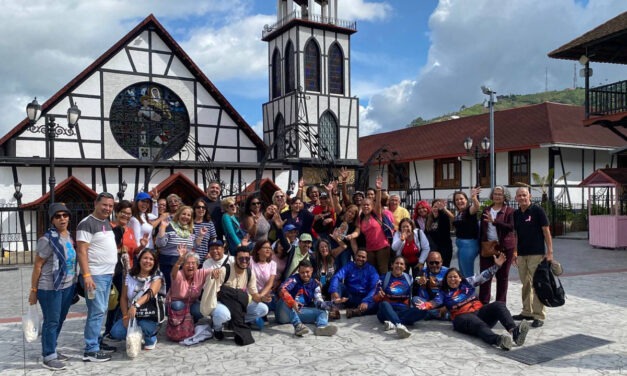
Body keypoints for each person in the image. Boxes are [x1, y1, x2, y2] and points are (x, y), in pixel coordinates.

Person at [417, 253, 530, 351]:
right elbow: (435, 302)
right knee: (477, 323)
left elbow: (483, 276)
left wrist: (497, 266)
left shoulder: (467, 283)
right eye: (449, 278)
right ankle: (498, 340)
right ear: (446, 280)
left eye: (455, 277)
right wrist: (425, 305)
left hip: (479, 312)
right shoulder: (444, 292)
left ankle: (514, 332)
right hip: (461, 318)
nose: (452, 279)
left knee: (498, 305)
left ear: (460, 278)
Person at [29, 203, 77, 370]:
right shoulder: (46, 240)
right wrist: (33, 290)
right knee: (51, 321)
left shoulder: (69, 236)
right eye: (58, 216)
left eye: (65, 215)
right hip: (50, 288)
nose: (62, 218)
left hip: (68, 286)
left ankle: (52, 349)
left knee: (59, 319)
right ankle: (48, 355)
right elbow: (37, 266)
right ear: (52, 220)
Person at [76, 192, 118, 362]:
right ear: (96, 203)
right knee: (97, 310)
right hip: (95, 275)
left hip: (106, 275)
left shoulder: (105, 223)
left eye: (110, 206)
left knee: (101, 311)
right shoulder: (87, 223)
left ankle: (96, 342)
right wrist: (86, 275)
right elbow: (81, 250)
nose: (108, 208)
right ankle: (91, 349)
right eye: (105, 205)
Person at [512, 186, 553, 328]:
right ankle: (527, 311)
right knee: (525, 284)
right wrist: (515, 252)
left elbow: (546, 231)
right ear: (516, 198)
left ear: (529, 196)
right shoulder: (516, 214)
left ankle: (539, 315)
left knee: (537, 284)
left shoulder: (537, 211)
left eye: (524, 195)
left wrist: (550, 252)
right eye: (519, 195)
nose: (522, 198)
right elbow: (516, 234)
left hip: (536, 253)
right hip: (522, 254)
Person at [110, 248, 166, 350]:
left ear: (155, 262)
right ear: (139, 259)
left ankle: (150, 337)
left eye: (151, 259)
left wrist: (136, 305)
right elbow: (123, 298)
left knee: (145, 326)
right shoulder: (129, 275)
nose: (148, 261)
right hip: (132, 314)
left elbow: (150, 293)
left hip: (149, 314)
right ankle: (138, 335)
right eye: (145, 258)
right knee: (116, 332)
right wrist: (125, 316)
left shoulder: (157, 277)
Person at [210, 246, 269, 337]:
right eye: (241, 258)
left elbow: (254, 295)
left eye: (247, 258)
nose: (244, 261)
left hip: (239, 304)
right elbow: (215, 293)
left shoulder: (250, 273)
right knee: (223, 314)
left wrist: (262, 298)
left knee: (263, 309)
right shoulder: (225, 270)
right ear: (235, 259)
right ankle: (217, 328)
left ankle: (234, 322)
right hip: (223, 302)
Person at [276, 259, 338, 337]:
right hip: (284, 313)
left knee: (323, 311)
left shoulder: (315, 285)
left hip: (300, 312)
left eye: (307, 272)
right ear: (298, 271)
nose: (305, 274)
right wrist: (292, 302)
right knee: (284, 299)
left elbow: (319, 302)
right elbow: (282, 289)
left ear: (312, 270)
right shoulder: (294, 279)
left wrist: (333, 303)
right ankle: (298, 326)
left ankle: (321, 327)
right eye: (302, 272)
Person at [155, 206, 207, 292]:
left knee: (182, 291)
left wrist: (200, 235)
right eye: (184, 214)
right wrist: (162, 228)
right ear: (179, 215)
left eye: (188, 215)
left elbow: (194, 246)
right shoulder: (169, 226)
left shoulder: (191, 230)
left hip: (185, 265)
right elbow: (160, 244)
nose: (186, 217)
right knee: (169, 290)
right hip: (169, 263)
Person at [374, 256, 428, 339]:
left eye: (401, 264)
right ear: (392, 265)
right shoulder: (384, 277)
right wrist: (378, 295)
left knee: (423, 310)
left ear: (405, 267)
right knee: (384, 304)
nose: (399, 265)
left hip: (403, 310)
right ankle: (399, 325)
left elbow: (417, 279)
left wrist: (421, 280)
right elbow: (375, 297)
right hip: (386, 311)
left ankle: (392, 322)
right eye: (397, 263)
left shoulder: (409, 278)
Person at [479, 186, 516, 304]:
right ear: (492, 195)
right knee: (485, 276)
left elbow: (511, 227)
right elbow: (481, 230)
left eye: (500, 194)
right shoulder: (486, 210)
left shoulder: (510, 211)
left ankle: (500, 305)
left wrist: (495, 222)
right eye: (495, 194)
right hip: (488, 247)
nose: (497, 196)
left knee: (502, 277)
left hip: (504, 247)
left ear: (505, 196)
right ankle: (483, 303)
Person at [329, 249, 379, 319]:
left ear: (367, 259)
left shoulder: (371, 269)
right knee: (338, 285)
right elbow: (337, 276)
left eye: (363, 257)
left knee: (378, 304)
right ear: (355, 256)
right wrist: (334, 291)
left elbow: (375, 287)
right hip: (348, 296)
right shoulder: (349, 265)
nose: (360, 259)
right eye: (359, 256)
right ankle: (335, 310)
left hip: (363, 298)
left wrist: (366, 301)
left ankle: (355, 312)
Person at [355, 176, 390, 275]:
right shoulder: (360, 218)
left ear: (372, 206)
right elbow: (357, 231)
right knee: (372, 272)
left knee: (383, 271)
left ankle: (384, 290)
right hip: (369, 249)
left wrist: (378, 189)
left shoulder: (377, 214)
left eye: (368, 205)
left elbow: (378, 202)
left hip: (382, 247)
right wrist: (351, 236)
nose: (366, 206)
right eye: (364, 205)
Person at [169, 245, 213, 322]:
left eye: (193, 263)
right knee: (178, 306)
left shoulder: (200, 273)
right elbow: (174, 272)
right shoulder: (178, 274)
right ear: (183, 265)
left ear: (197, 265)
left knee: (201, 309)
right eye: (187, 263)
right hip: (176, 303)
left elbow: (216, 270)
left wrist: (216, 271)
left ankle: (192, 323)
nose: (190, 266)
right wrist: (180, 260)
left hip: (192, 303)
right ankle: (178, 324)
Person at [452, 188, 480, 277]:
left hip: (469, 245)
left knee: (467, 274)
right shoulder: (460, 213)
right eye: (457, 199)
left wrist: (474, 197)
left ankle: (470, 290)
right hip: (461, 245)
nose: (459, 201)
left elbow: (476, 207)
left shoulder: (469, 210)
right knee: (463, 273)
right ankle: (466, 290)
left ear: (466, 200)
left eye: (461, 199)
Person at [414, 251, 449, 320]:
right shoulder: (423, 271)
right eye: (431, 263)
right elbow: (417, 279)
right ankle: (436, 313)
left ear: (441, 262)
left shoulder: (448, 272)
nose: (434, 265)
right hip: (426, 302)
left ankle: (427, 314)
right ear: (427, 263)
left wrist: (440, 284)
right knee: (415, 299)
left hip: (442, 302)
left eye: (437, 262)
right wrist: (420, 281)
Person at [425, 199, 454, 267]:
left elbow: (451, 217)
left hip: (444, 249)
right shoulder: (429, 219)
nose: (436, 209)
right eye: (435, 207)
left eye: (438, 207)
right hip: (433, 249)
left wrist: (443, 210)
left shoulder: (444, 217)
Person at [330, 204, 359, 270]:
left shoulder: (353, 225)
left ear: (355, 216)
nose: (350, 214)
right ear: (346, 211)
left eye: (352, 213)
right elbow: (336, 204)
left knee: (344, 265)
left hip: (345, 248)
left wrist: (356, 253)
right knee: (335, 265)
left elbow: (352, 241)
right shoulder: (340, 218)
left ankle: (344, 279)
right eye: (349, 211)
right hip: (334, 245)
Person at [250, 240, 276, 309]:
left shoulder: (273, 264)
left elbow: (270, 284)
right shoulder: (250, 261)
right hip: (251, 293)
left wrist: (260, 296)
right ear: (258, 250)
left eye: (269, 248)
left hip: (264, 294)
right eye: (265, 247)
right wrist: (256, 296)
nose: (268, 250)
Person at [192, 197, 217, 262]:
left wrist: (210, 252)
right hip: (191, 260)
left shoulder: (209, 223)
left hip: (205, 259)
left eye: (203, 207)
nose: (201, 209)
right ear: (194, 209)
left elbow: (214, 239)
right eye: (198, 207)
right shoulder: (189, 223)